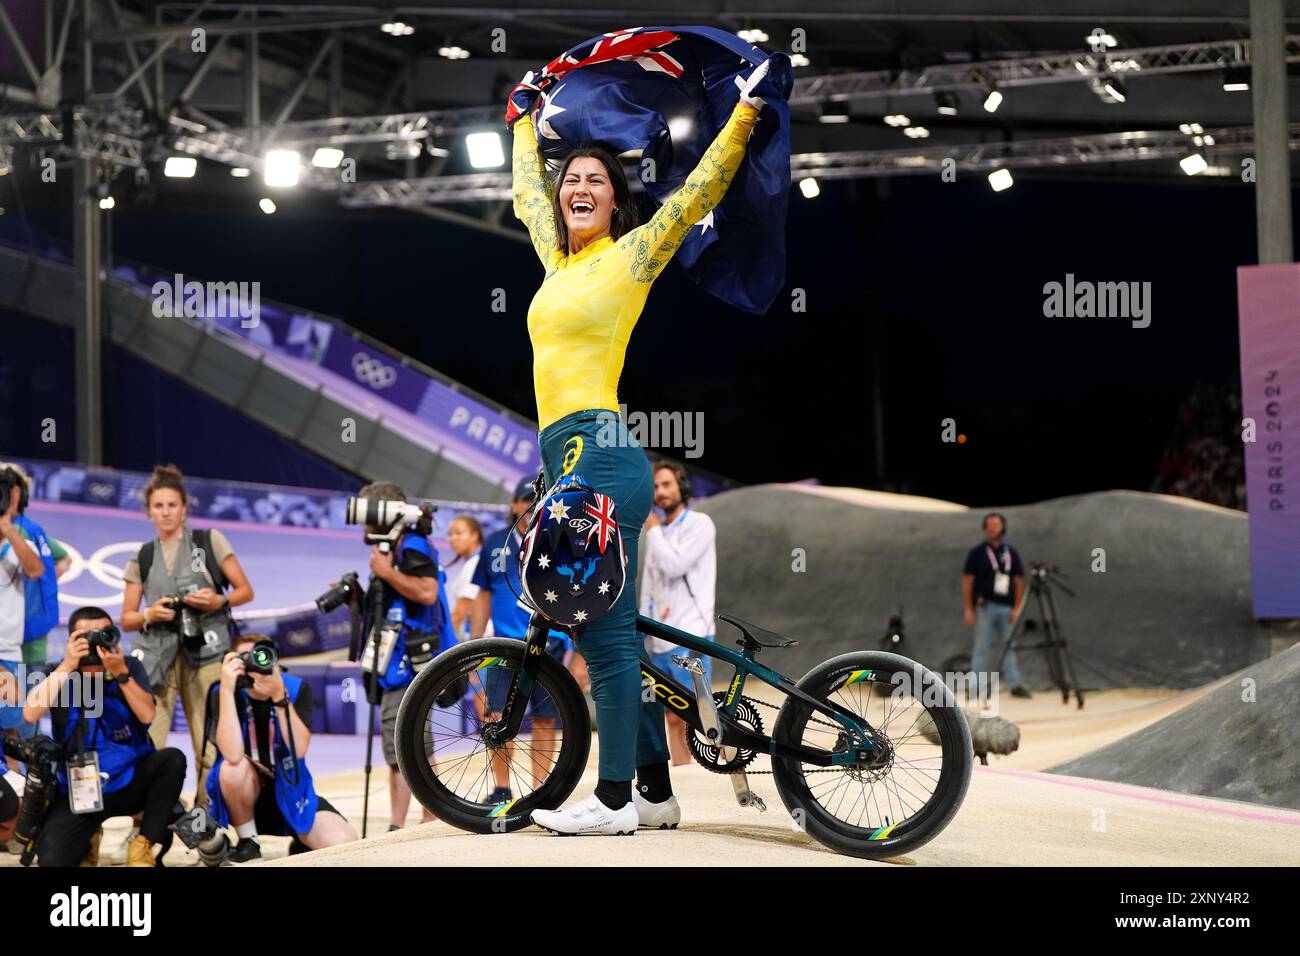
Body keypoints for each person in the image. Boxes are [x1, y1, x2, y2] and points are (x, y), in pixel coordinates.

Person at [509, 57, 772, 834]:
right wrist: (524, 118)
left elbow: (695, 196)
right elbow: (526, 189)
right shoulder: (556, 263)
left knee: (604, 639)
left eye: (594, 179)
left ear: (614, 198)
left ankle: (616, 799)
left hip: (603, 455)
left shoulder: (631, 258)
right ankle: (656, 792)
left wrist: (746, 116)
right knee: (618, 634)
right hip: (569, 460)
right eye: (571, 180)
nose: (577, 188)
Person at [120, 464, 254, 804]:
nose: (165, 513)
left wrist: (216, 600)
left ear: (184, 508)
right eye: (158, 506)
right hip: (157, 659)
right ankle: (148, 830)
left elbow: (244, 591)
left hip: (206, 653)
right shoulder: (143, 556)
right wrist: (150, 613)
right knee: (149, 744)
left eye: (172, 506)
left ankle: (207, 825)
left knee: (208, 745)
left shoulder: (210, 541)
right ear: (149, 511)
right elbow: (127, 619)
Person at [24, 606, 186, 867]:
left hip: (129, 781)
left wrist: (120, 673)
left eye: (103, 633)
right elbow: (31, 713)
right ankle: (89, 837)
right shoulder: (58, 673)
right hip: (79, 791)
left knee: (172, 760)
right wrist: (68, 665)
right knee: (53, 861)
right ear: (70, 641)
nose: (94, 642)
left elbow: (147, 716)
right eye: (86, 636)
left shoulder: (129, 666)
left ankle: (142, 845)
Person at [353, 480, 456, 831]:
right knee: (403, 748)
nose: (363, 521)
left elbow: (426, 593)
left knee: (410, 744)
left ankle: (428, 818)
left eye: (369, 512)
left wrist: (386, 573)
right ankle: (400, 824)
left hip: (408, 661)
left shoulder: (411, 546)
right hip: (396, 659)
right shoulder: (398, 544)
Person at [203, 632, 357, 862]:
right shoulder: (224, 692)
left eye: (260, 654)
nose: (254, 662)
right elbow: (232, 754)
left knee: (345, 846)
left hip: (291, 792)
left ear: (273, 659)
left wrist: (279, 697)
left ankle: (301, 845)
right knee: (232, 768)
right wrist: (227, 690)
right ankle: (248, 842)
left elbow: (300, 750)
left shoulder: (294, 688)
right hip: (245, 797)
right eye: (245, 656)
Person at [467, 478, 567, 803]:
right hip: (504, 648)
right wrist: (473, 645)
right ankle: (501, 788)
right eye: (525, 499)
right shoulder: (495, 543)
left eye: (537, 499)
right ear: (514, 504)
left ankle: (541, 789)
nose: (531, 505)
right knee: (496, 717)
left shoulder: (556, 540)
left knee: (545, 719)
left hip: (548, 646)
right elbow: (482, 595)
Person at [640, 461, 717, 770]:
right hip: (659, 637)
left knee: (701, 715)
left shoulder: (700, 523)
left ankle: (718, 776)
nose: (660, 492)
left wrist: (655, 532)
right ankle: (685, 779)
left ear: (682, 487)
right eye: (656, 487)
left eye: (667, 484)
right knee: (670, 717)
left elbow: (675, 566)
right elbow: (648, 585)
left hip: (690, 632)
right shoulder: (658, 533)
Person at [0, 466, 47, 754]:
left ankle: (15, 791)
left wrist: (7, 529)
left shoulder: (20, 543)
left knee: (12, 729)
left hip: (7, 653)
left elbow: (35, 569)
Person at [962, 513, 1032, 701]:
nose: (993, 528)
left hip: (1007, 607)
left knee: (1009, 646)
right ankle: (977, 687)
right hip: (985, 607)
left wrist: (1017, 607)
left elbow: (1018, 580)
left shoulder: (1011, 553)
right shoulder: (977, 553)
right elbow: (968, 580)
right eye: (990, 524)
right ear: (985, 528)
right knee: (981, 647)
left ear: (1003, 527)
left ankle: (1015, 684)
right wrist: (969, 608)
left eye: (997, 524)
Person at [443, 514, 488, 641]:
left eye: (458, 533)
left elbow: (458, 615)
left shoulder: (474, 564)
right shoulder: (473, 562)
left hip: (478, 639)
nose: (452, 538)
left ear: (475, 536)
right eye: (450, 534)